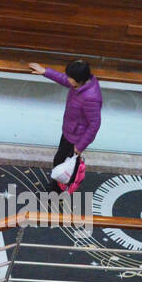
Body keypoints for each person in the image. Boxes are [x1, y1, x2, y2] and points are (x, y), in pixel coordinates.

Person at [28, 59, 102, 193]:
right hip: (70, 130)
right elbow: (63, 79)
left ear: (79, 80)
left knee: (61, 162)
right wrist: (45, 72)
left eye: (70, 78)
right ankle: (60, 186)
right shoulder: (79, 85)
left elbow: (95, 125)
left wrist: (80, 146)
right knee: (63, 161)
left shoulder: (91, 98)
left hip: (76, 137)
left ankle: (57, 190)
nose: (68, 79)